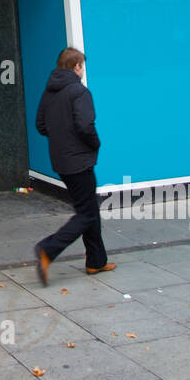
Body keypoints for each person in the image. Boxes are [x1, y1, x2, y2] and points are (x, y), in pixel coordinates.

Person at [33, 46, 115, 284]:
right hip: (79, 159)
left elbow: (41, 125)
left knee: (89, 209)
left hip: (61, 160)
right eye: (82, 66)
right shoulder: (79, 91)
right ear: (76, 66)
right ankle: (48, 249)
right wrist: (95, 144)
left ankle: (96, 261)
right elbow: (85, 126)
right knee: (87, 213)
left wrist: (61, 137)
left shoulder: (50, 92)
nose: (82, 70)